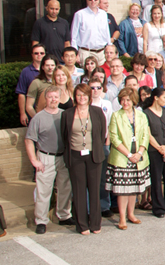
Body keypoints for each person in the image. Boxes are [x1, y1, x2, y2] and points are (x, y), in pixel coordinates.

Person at [25, 87, 73, 234]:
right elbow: (29, 140)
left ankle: (64, 215)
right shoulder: (38, 118)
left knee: (65, 188)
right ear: (46, 99)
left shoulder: (64, 115)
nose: (53, 100)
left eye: (55, 97)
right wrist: (34, 160)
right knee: (43, 191)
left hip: (63, 156)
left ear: (59, 98)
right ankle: (41, 220)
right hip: (45, 157)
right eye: (50, 97)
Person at [63, 83, 107, 235]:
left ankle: (95, 224)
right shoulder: (67, 114)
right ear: (75, 97)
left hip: (93, 155)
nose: (82, 98)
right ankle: (82, 225)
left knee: (94, 190)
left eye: (84, 95)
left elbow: (102, 133)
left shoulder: (97, 111)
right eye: (79, 95)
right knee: (79, 191)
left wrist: (95, 148)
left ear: (89, 97)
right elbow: (65, 137)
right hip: (75, 156)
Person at [107, 88, 150, 230]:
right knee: (123, 189)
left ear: (133, 101)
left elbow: (145, 135)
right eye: (123, 100)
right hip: (123, 157)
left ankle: (131, 214)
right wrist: (129, 155)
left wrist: (139, 152)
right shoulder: (115, 116)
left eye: (128, 100)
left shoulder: (141, 116)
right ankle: (122, 218)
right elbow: (114, 137)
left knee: (133, 188)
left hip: (138, 156)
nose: (125, 102)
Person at [142, 87, 165, 218]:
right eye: (164, 98)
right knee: (156, 179)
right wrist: (160, 149)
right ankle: (158, 208)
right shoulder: (146, 113)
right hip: (154, 151)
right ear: (156, 98)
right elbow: (148, 134)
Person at [71, 0, 112, 66]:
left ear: (99, 0)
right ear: (87, 0)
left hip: (101, 53)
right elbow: (74, 36)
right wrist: (75, 53)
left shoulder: (103, 14)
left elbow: (106, 32)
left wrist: (109, 47)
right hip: (86, 52)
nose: (93, 1)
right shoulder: (79, 14)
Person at [17, 45, 45, 125]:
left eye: (42, 53)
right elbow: (21, 93)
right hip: (32, 112)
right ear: (32, 55)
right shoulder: (26, 71)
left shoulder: (51, 70)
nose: (39, 55)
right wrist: (22, 113)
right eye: (36, 53)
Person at [26, 54, 58, 122]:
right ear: (42, 67)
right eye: (47, 65)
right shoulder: (36, 83)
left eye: (52, 65)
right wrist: (38, 119)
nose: (50, 68)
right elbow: (29, 106)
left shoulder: (60, 82)